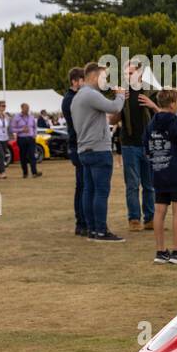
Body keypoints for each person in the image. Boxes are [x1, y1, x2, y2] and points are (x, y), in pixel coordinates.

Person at [71, 61, 127, 241]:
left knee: (89, 190)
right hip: (98, 149)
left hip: (84, 149)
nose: (105, 80)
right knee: (101, 192)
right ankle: (101, 230)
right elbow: (115, 107)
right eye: (104, 76)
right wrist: (120, 95)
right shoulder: (90, 94)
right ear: (94, 76)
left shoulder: (78, 96)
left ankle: (93, 229)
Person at [145, 88, 177, 265]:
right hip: (176, 173)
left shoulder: (151, 124)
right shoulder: (176, 123)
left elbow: (146, 147)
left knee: (159, 211)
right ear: (173, 103)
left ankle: (160, 251)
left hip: (158, 171)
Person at [118, 60, 156, 230]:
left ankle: (150, 219)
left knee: (149, 184)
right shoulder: (122, 93)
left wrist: (151, 104)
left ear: (140, 73)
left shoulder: (151, 91)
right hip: (128, 144)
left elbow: (164, 113)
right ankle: (134, 219)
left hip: (149, 144)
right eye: (126, 73)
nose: (128, 76)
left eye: (131, 72)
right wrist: (118, 102)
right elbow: (113, 119)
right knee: (132, 185)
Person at [62, 67, 89, 236]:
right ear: (75, 81)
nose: (84, 83)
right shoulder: (70, 99)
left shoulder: (74, 98)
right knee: (82, 186)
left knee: (84, 185)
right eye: (82, 80)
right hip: (77, 145)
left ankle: (83, 221)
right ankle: (81, 222)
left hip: (79, 144)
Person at [13, 103, 41, 178]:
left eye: (28, 108)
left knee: (32, 155)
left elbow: (35, 127)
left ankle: (34, 172)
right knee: (23, 156)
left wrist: (34, 135)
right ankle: (25, 173)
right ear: (21, 108)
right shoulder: (16, 117)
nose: (27, 109)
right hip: (21, 139)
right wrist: (21, 130)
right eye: (26, 108)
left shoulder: (31, 117)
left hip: (31, 138)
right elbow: (12, 129)